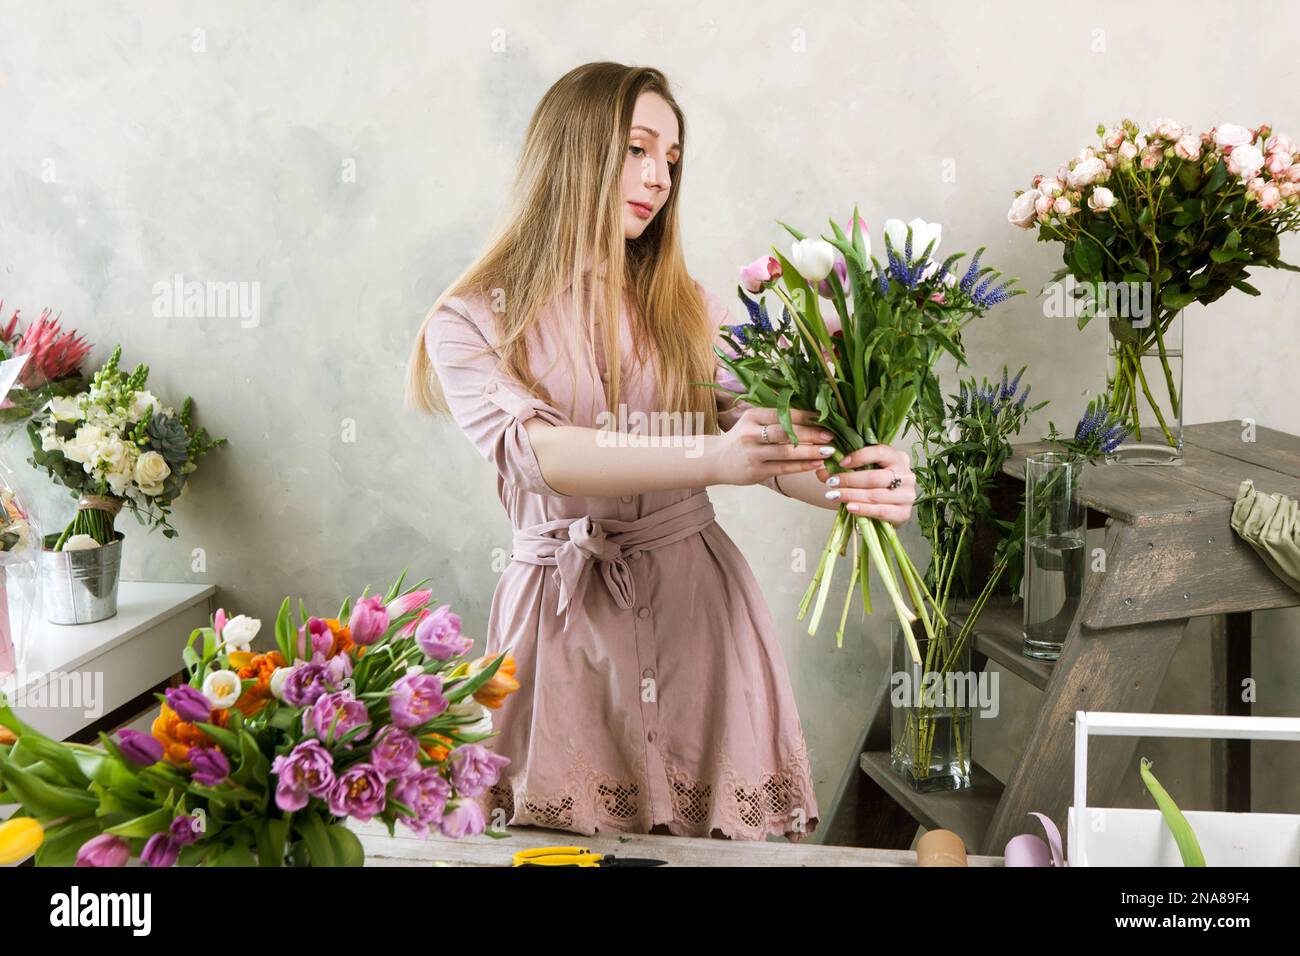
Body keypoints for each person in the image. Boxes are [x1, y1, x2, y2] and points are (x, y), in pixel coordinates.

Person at [405, 62, 915, 842]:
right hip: (556, 633)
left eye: (671, 160)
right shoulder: (470, 320)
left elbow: (769, 442)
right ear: (573, 151)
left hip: (700, 624)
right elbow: (538, 452)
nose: (659, 178)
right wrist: (711, 457)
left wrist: (856, 482)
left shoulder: (689, 309)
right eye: (637, 149)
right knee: (557, 850)